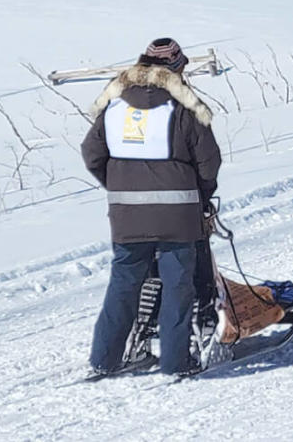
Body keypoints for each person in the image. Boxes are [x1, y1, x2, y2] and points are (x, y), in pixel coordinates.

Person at [81, 38, 221, 377]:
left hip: (127, 215)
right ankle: (175, 362)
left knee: (123, 285)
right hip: (178, 215)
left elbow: (92, 153)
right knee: (178, 287)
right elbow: (209, 161)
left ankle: (105, 360)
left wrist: (119, 186)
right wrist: (203, 197)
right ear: (176, 69)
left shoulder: (114, 105)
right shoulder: (185, 107)